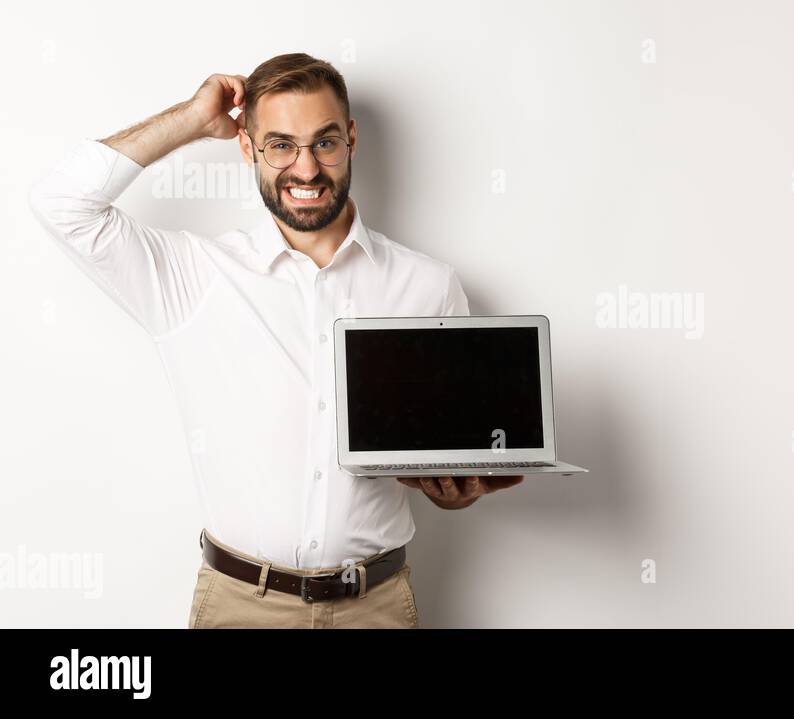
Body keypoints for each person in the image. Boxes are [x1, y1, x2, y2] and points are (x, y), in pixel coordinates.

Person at [28, 53, 525, 628]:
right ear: (247, 149)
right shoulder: (195, 276)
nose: (306, 169)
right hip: (241, 608)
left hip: (377, 608)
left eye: (325, 143)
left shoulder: (428, 286)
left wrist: (455, 489)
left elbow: (450, 453)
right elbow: (61, 204)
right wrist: (191, 118)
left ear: (352, 140)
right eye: (281, 145)